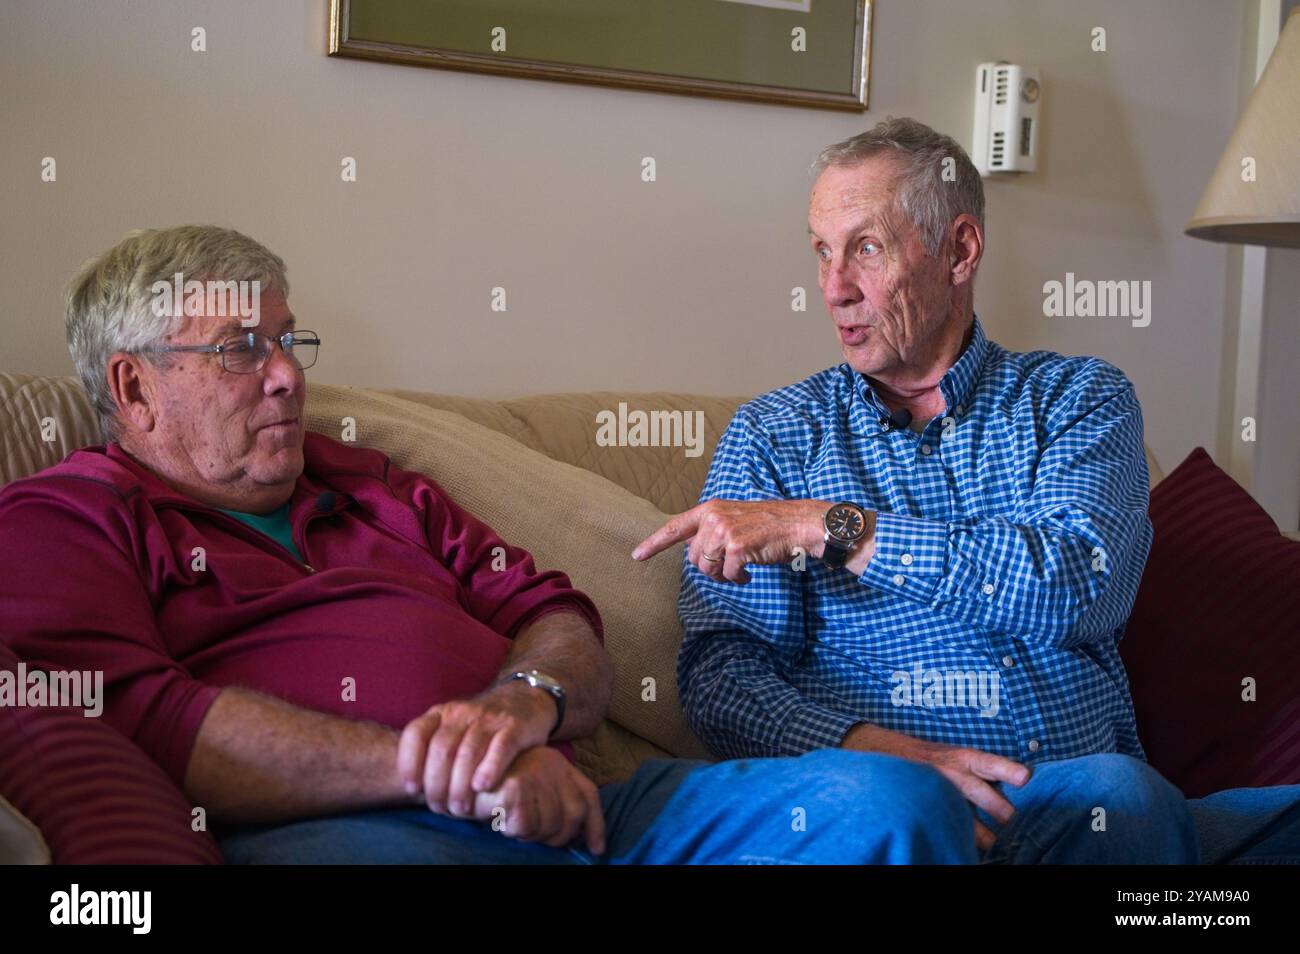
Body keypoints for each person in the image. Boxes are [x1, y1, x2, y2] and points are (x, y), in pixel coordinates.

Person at [2, 225, 981, 865]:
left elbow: (557, 616)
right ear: (132, 391)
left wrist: (527, 702)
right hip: (350, 831)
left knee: (889, 805)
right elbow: (142, 724)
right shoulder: (66, 515)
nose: (285, 380)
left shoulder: (377, 486)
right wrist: (448, 770)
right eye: (238, 350)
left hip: (583, 797)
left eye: (287, 343)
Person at [635, 118, 1299, 864]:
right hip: (906, 812)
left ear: (960, 249)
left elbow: (1075, 587)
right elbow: (722, 674)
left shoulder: (1078, 400)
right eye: (822, 251)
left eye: (866, 247)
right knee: (1128, 799)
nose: (834, 288)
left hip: (1079, 808)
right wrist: (874, 754)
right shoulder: (774, 437)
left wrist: (835, 527)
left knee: (1150, 805)